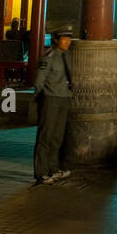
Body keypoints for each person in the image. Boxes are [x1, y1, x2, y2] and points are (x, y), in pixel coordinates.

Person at [32, 25, 74, 184]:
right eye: (65, 38)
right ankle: (41, 172)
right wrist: (39, 98)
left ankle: (53, 168)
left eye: (69, 39)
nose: (68, 42)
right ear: (56, 40)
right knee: (46, 136)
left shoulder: (67, 56)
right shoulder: (48, 56)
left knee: (57, 136)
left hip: (64, 98)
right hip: (50, 98)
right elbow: (39, 80)